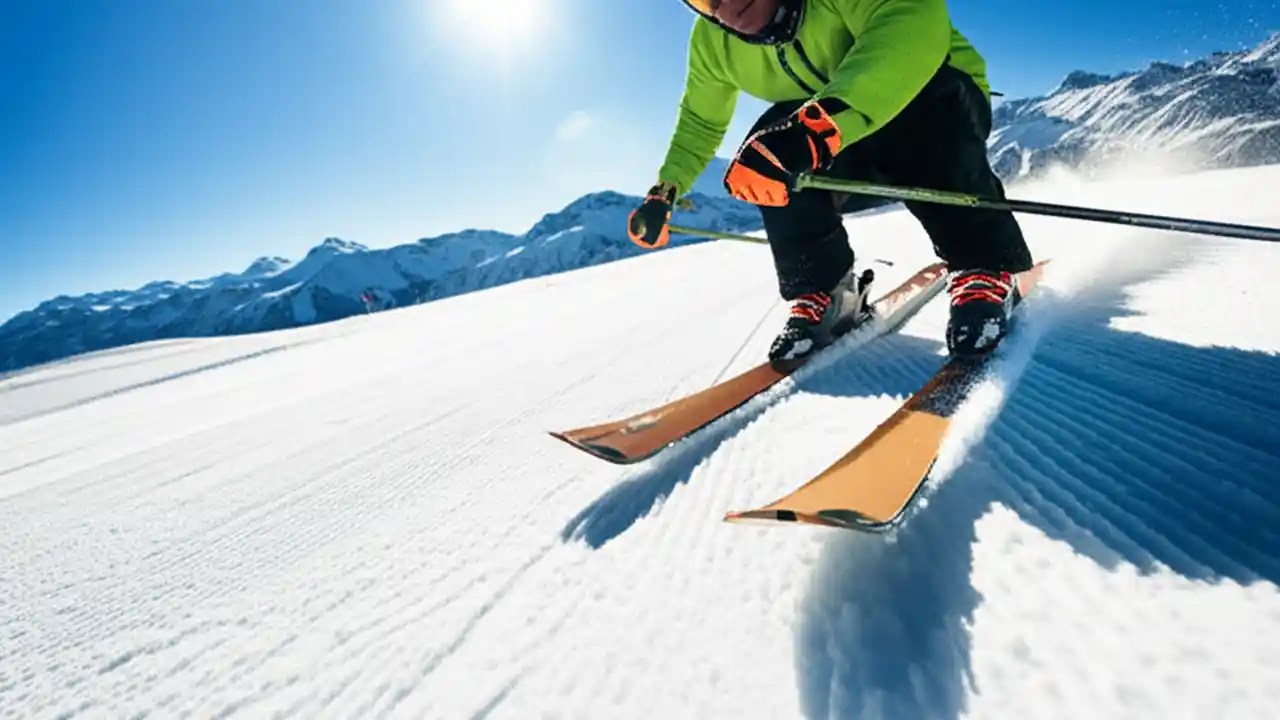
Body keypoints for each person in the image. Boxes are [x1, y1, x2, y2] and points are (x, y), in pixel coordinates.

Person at [627, 0, 1035, 363]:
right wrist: (666, 192)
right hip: (842, 134)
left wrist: (814, 131)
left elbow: (909, 21)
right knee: (768, 149)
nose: (724, 5)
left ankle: (984, 263)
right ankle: (825, 289)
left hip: (935, 102)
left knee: (925, 98)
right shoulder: (712, 42)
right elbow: (700, 121)